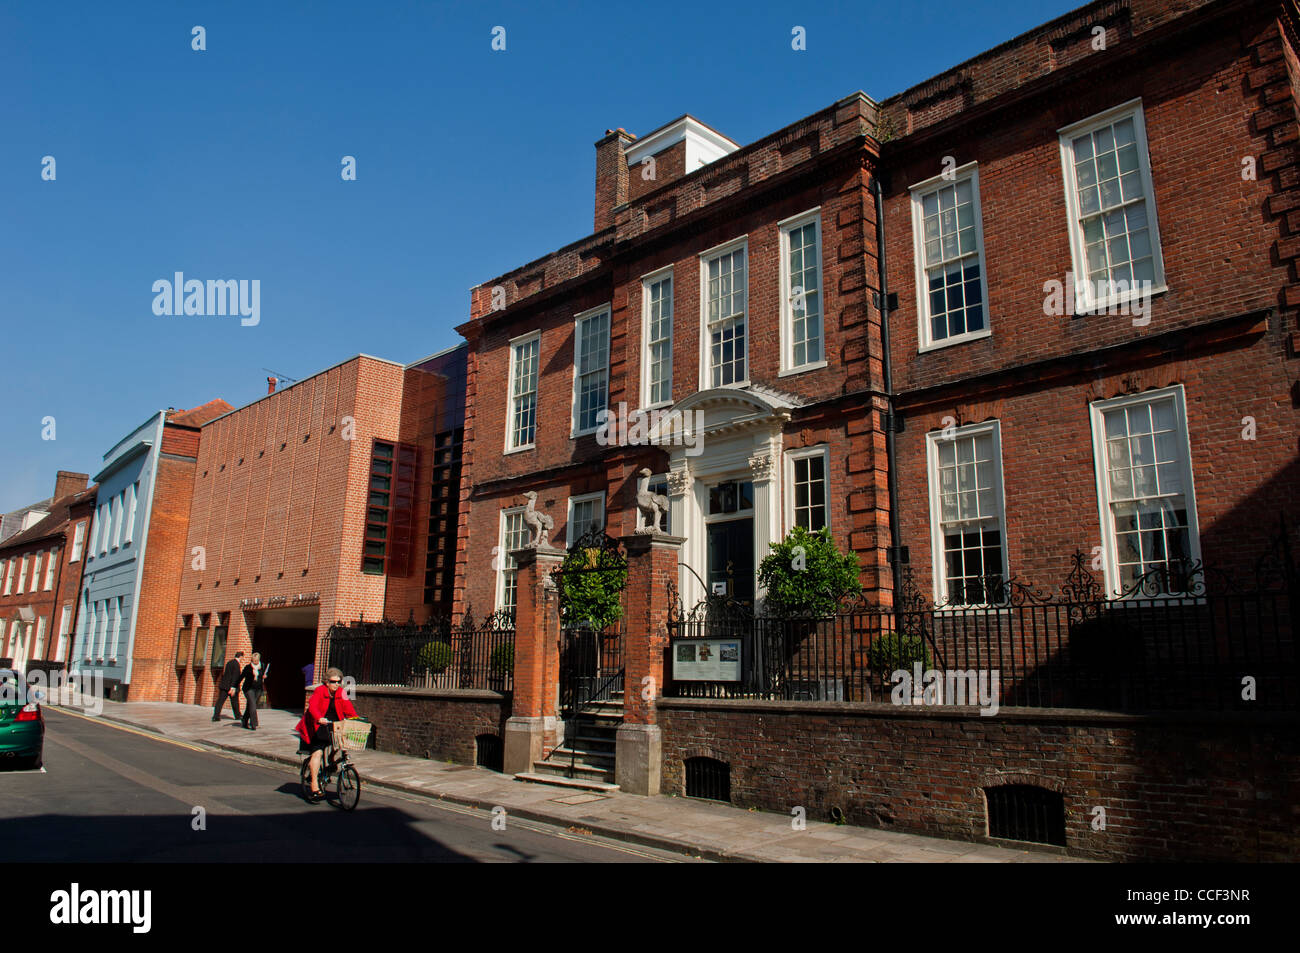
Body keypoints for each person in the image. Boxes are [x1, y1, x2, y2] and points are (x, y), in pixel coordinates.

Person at [294, 667, 357, 802]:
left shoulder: (342, 693)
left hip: (333, 725)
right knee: (318, 753)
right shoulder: (319, 691)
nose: (337, 684)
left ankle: (332, 758)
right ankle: (314, 785)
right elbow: (312, 707)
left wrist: (356, 720)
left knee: (341, 742)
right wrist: (319, 718)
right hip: (317, 726)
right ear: (327, 682)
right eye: (333, 682)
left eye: (339, 682)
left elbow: (349, 709)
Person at [213, 651, 244, 722]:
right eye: (242, 657)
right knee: (235, 702)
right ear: (240, 656)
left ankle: (216, 715)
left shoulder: (229, 663)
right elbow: (235, 677)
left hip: (224, 685)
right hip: (232, 687)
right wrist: (233, 687)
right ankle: (238, 715)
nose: (242, 659)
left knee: (220, 701)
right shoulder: (236, 664)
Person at [239, 653, 265, 730]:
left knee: (250, 705)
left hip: (258, 688)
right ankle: (254, 724)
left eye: (256, 661)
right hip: (248, 688)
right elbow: (241, 676)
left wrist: (264, 676)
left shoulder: (262, 666)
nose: (255, 662)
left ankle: (244, 720)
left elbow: (263, 674)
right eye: (253, 661)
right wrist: (233, 686)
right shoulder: (248, 667)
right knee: (253, 705)